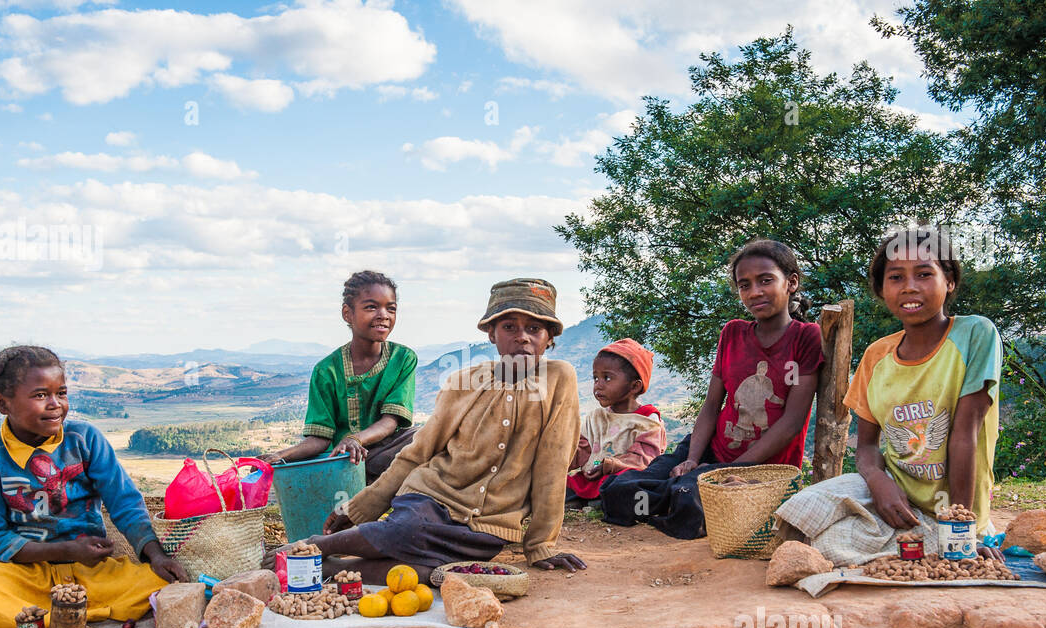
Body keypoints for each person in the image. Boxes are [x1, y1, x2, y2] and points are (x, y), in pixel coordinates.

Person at [267, 278, 587, 584]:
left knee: (432, 572)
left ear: (550, 337)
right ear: (491, 334)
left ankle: (333, 569)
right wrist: (363, 507)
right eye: (509, 327)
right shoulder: (464, 381)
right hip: (432, 499)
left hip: (490, 527)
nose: (522, 337)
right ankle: (312, 547)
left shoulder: (559, 378)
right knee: (407, 528)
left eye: (534, 328)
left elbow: (553, 463)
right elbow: (418, 451)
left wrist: (540, 544)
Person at [0, 345, 187, 628]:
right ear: (2, 403)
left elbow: (125, 502)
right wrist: (66, 549)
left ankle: (47, 611)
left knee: (158, 586)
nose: (55, 404)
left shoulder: (85, 440)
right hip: (21, 573)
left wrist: (155, 555)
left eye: (61, 393)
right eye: (41, 395)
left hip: (92, 571)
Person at [775, 227, 1004, 562]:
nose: (909, 286)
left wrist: (960, 530)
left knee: (832, 546)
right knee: (803, 507)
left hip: (953, 507)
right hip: (893, 494)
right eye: (896, 277)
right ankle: (912, 542)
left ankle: (944, 540)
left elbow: (964, 434)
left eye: (924, 274)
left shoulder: (975, 334)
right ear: (882, 290)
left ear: (950, 280)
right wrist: (878, 481)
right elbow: (867, 445)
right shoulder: (876, 356)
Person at [601, 239, 824, 538]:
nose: (754, 292)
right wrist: (692, 459)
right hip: (709, 446)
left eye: (766, 280)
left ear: (791, 282)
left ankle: (675, 498)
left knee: (687, 496)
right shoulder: (732, 333)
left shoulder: (805, 337)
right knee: (619, 488)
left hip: (761, 464)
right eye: (744, 285)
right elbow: (711, 406)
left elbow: (792, 422)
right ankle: (672, 495)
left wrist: (729, 469)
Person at [259, 271, 417, 483]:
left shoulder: (403, 359)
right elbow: (320, 438)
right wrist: (280, 456)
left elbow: (390, 422)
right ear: (347, 314)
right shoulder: (326, 371)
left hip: (387, 455)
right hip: (343, 461)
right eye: (371, 307)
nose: (383, 315)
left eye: (391, 308)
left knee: (424, 435)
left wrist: (354, 439)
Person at [565, 339, 667, 507]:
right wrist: (558, 461)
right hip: (590, 478)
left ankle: (599, 501)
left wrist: (611, 465)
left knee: (625, 486)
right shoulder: (596, 418)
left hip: (619, 477)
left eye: (607, 378)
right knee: (561, 486)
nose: (598, 385)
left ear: (634, 386)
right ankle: (589, 500)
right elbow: (581, 450)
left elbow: (644, 460)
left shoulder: (647, 421)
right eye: (595, 378)